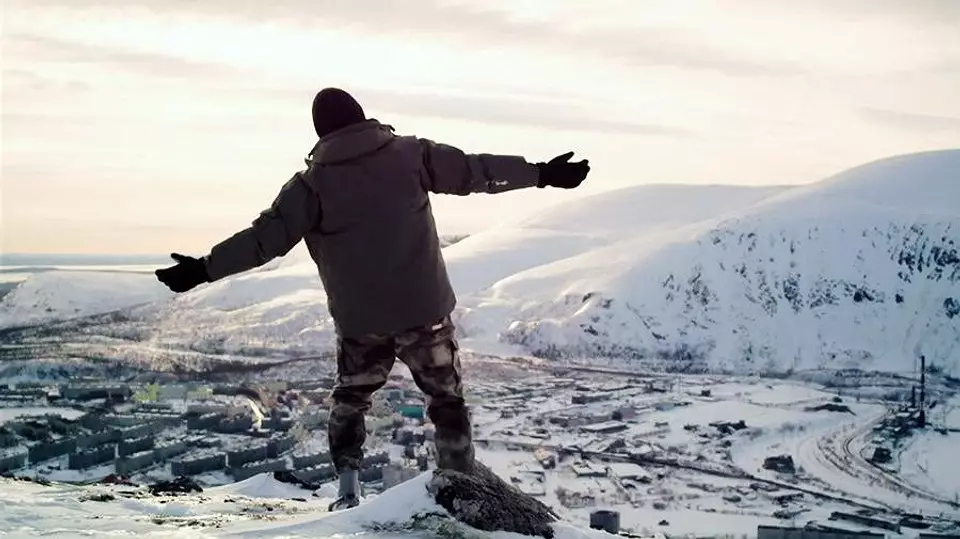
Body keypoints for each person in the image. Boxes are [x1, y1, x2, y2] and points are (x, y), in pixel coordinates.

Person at [155, 87, 590, 510]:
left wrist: (202, 269)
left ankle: (347, 488)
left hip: (361, 324)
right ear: (363, 117)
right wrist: (541, 174)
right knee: (446, 400)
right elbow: (475, 170)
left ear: (321, 133)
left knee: (350, 400)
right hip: (425, 313)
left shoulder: (310, 186)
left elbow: (261, 241)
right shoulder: (410, 155)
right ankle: (460, 487)